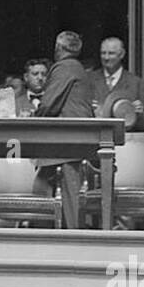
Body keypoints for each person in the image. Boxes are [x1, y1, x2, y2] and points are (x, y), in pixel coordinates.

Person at [33, 30, 99, 229]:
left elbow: (49, 104)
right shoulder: (77, 68)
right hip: (75, 138)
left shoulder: (64, 67)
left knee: (60, 190)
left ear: (59, 48)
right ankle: (61, 232)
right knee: (55, 186)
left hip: (66, 140)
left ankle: (69, 235)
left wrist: (34, 119)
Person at [92, 36, 144, 129]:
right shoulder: (89, 80)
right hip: (96, 137)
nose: (106, 57)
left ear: (122, 54)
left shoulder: (136, 83)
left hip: (126, 140)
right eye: (103, 53)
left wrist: (139, 114)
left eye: (111, 53)